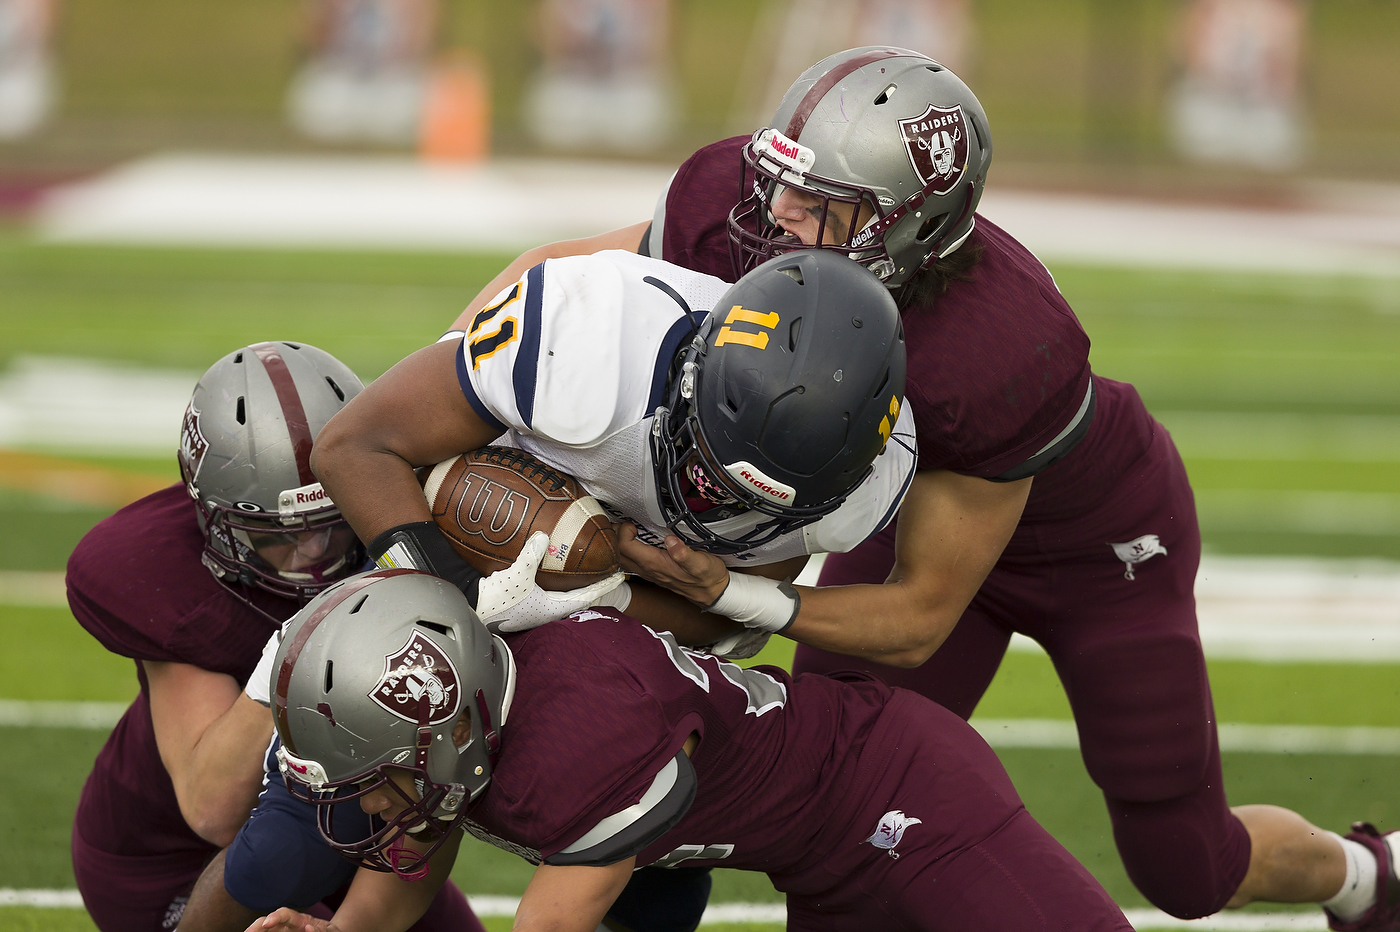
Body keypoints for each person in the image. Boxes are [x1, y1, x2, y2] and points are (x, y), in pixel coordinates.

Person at [444, 46, 1399, 931]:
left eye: (828, 208)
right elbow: (556, 284)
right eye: (784, 184)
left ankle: (1368, 879)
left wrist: (726, 591)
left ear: (917, 226)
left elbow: (920, 614)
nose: (779, 219)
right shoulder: (739, 207)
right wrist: (453, 379)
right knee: (846, 820)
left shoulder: (999, 349)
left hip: (1092, 548)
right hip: (898, 523)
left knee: (1185, 866)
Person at [248, 568, 1135, 932]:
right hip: (816, 862)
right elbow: (405, 877)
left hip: (904, 795)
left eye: (377, 781)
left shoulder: (583, 739)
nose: (369, 807)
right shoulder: (470, 728)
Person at [67, 342, 484, 932]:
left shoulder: (394, 524)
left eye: (333, 521)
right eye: (277, 535)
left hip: (358, 820)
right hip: (171, 857)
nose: (314, 553)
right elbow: (213, 807)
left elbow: (436, 798)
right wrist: (303, 641)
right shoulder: (165, 577)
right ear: (216, 517)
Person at [311, 248, 916, 653]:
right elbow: (352, 448)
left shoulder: (859, 486)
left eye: (752, 504)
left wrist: (602, 593)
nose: (708, 497)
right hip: (445, 535)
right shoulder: (589, 337)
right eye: (707, 462)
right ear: (690, 376)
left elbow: (724, 625)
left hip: (617, 631)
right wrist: (456, 596)